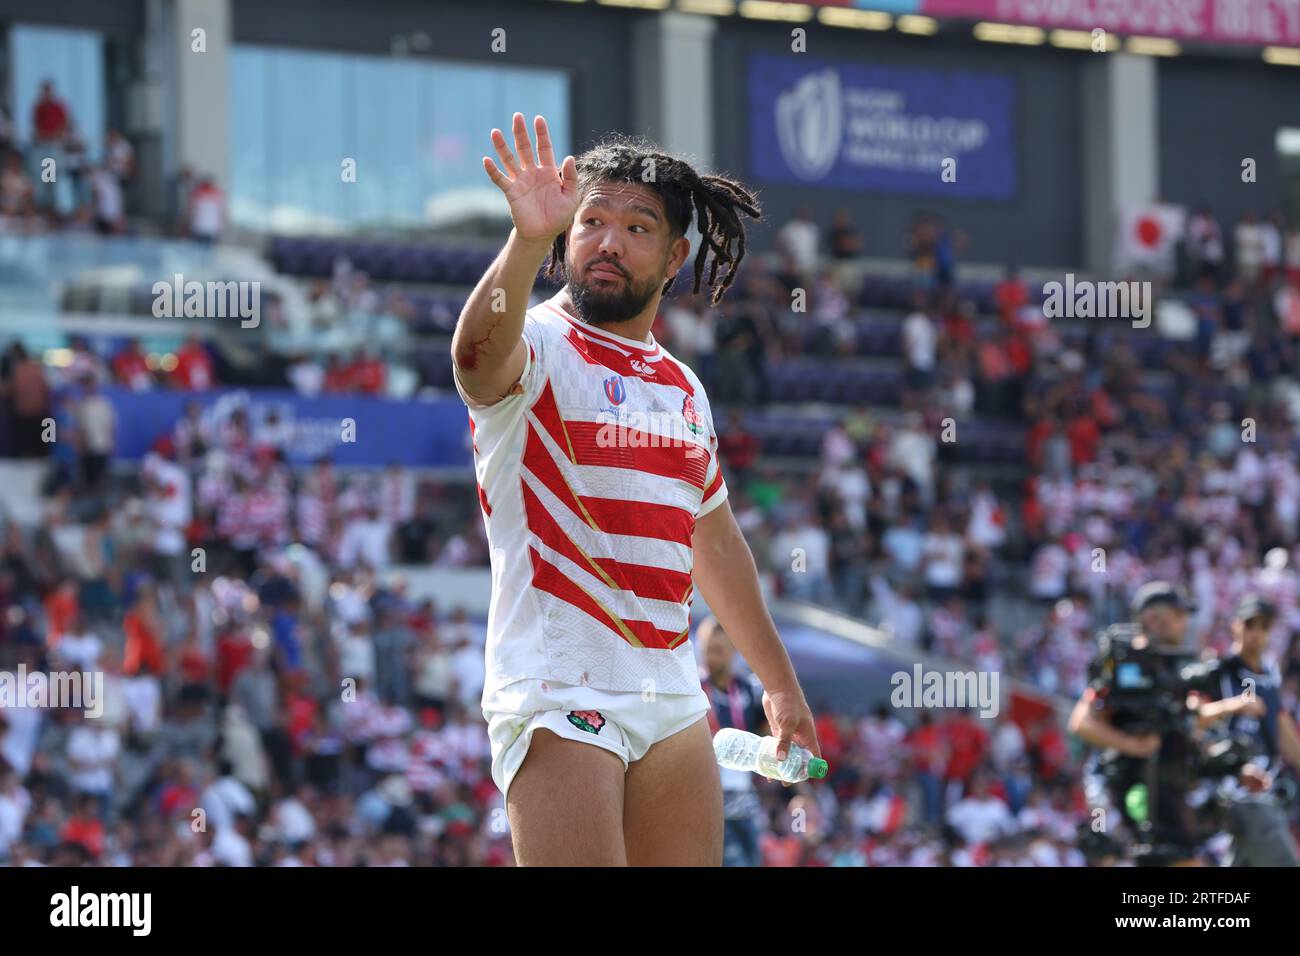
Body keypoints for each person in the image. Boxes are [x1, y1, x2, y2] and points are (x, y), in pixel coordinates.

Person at [451, 112, 820, 865]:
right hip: (560, 692)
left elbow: (712, 540)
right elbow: (472, 359)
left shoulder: (684, 388)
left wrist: (779, 686)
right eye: (590, 221)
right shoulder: (538, 347)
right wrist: (525, 240)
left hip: (672, 697)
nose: (608, 241)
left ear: (676, 254)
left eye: (637, 226)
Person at [1067, 581, 1202, 865]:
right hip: (1127, 788)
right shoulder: (1122, 659)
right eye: (1178, 614)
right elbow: (1082, 721)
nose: (1184, 622)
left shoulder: (1175, 665)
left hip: (1168, 788)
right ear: (1153, 618)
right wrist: (1131, 745)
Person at [1196, 594, 1300, 866]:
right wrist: (1233, 705)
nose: (1256, 633)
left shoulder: (1268, 678)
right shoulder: (1218, 672)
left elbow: (1284, 734)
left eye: (1264, 626)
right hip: (1231, 793)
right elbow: (1191, 719)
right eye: (1250, 624)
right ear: (1235, 625)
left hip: (1265, 791)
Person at [698, 617, 769, 867]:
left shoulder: (748, 690)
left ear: (733, 652)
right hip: (708, 799)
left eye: (718, 651)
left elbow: (769, 735)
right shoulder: (693, 689)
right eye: (707, 650)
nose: (711, 658)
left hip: (744, 799)